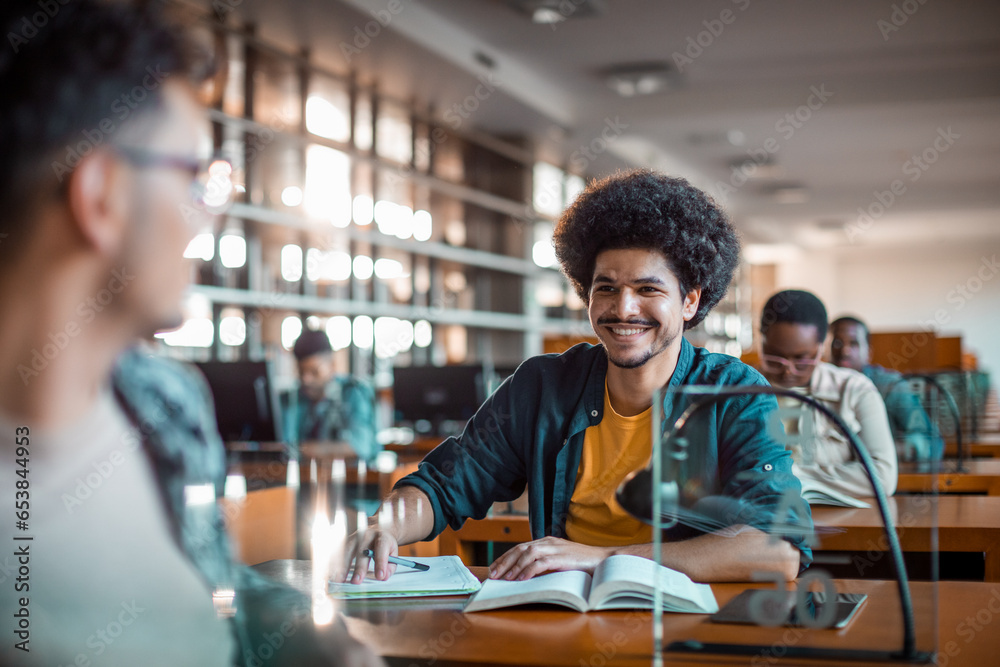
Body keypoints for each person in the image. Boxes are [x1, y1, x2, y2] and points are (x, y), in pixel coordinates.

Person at [0, 2, 379, 665]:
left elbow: (217, 594)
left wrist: (322, 645)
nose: (211, 220)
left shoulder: (165, 403)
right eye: (196, 178)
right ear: (103, 195)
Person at [350, 169, 812, 585]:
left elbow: (778, 550)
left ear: (690, 301)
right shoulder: (543, 385)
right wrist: (385, 523)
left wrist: (600, 558)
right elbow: (448, 483)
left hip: (678, 626)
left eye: (648, 289)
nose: (623, 308)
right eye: (605, 288)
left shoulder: (734, 392)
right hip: (564, 614)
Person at [758, 291, 897, 498]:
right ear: (760, 342)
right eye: (775, 359)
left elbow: (883, 476)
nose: (788, 371)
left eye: (802, 359)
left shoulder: (854, 389)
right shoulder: (739, 388)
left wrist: (792, 476)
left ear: (822, 347)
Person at [829, 316, 944, 462]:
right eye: (837, 343)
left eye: (854, 344)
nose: (844, 351)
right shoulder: (816, 385)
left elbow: (933, 443)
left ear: (869, 353)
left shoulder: (892, 386)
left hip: (881, 477)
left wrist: (882, 449)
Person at [281, 329, 379, 460]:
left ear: (332, 365)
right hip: (303, 477)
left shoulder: (353, 393)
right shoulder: (293, 399)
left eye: (314, 371)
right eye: (301, 372)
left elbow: (361, 447)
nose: (306, 379)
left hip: (352, 478)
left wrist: (307, 450)